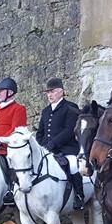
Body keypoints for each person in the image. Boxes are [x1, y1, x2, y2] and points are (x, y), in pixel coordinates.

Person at [36, 77, 85, 210]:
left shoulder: (70, 107)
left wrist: (53, 143)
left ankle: (79, 196)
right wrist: (41, 145)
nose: (49, 95)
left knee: (73, 165)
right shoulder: (45, 111)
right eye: (48, 93)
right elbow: (40, 132)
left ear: (61, 91)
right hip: (48, 150)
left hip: (67, 149)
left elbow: (69, 130)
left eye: (52, 92)